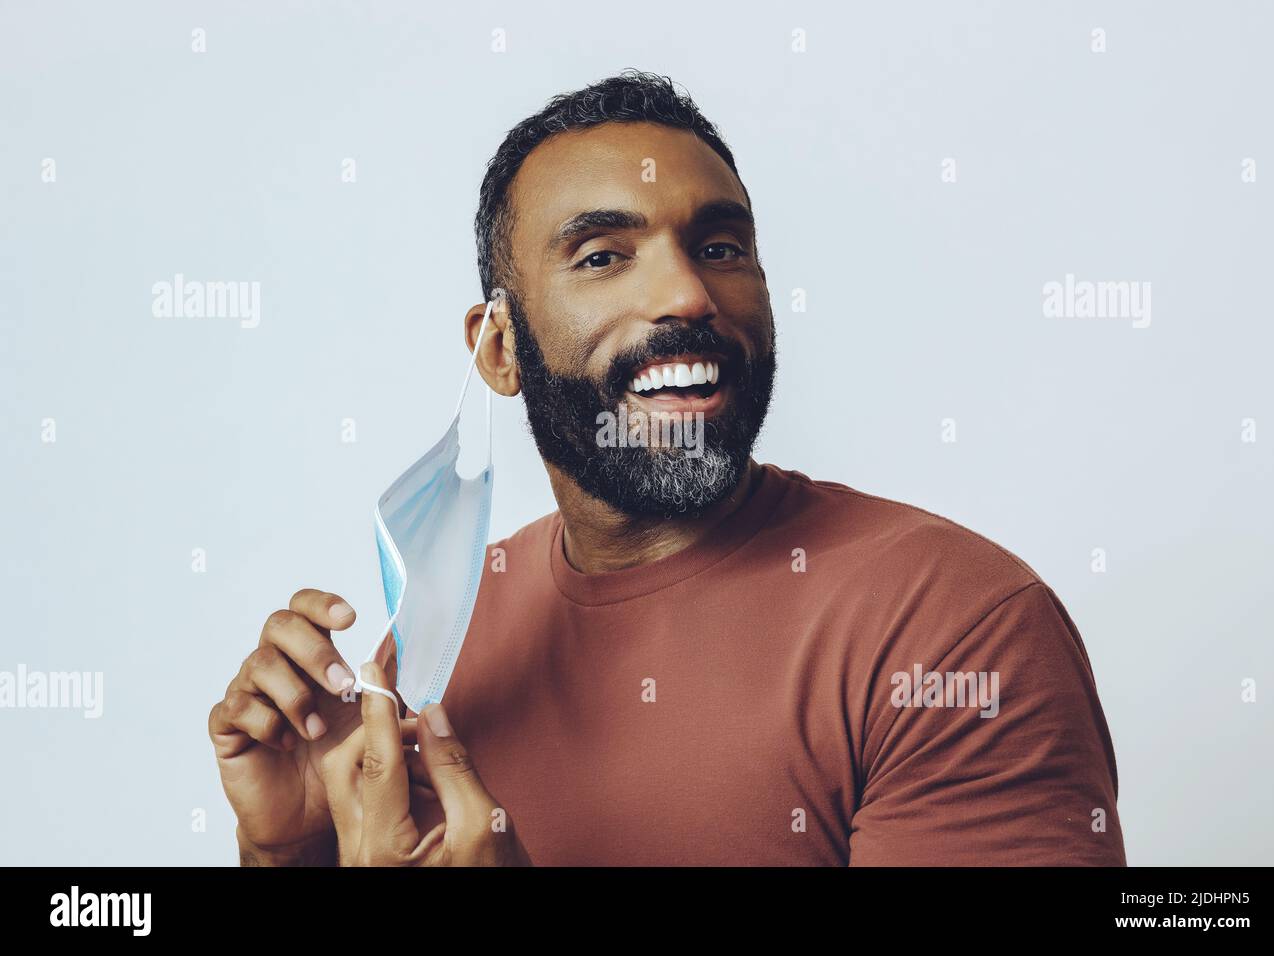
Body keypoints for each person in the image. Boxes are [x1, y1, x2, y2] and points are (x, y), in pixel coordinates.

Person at [209, 70, 1127, 866]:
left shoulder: (953, 629)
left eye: (720, 248)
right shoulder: (438, 636)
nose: (687, 294)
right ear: (499, 349)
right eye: (604, 256)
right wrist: (287, 853)